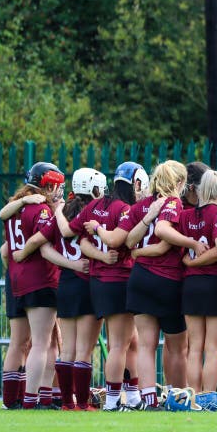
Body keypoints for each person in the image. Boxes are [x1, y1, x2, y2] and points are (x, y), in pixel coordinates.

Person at [63, 161, 160, 411]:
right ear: (135, 183)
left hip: (99, 282)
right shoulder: (125, 208)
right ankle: (114, 401)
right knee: (119, 344)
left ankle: (134, 396)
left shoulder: (95, 205)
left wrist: (98, 252)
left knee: (132, 341)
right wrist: (104, 248)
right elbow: (119, 239)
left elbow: (79, 239)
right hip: (118, 280)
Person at [10, 168, 107, 409]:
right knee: (84, 350)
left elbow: (43, 247)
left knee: (67, 351)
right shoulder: (93, 212)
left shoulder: (62, 211)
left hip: (64, 284)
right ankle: (82, 403)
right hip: (87, 283)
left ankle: (66, 402)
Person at [117, 160, 202, 408]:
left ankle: (148, 399)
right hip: (167, 280)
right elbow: (165, 243)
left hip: (140, 279)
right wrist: (190, 242)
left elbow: (128, 242)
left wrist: (140, 253)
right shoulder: (173, 202)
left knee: (146, 344)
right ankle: (178, 396)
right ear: (179, 182)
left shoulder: (142, 204)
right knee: (178, 346)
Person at [0, 162, 65, 409]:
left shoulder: (15, 208)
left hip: (15, 279)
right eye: (56, 186)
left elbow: (6, 250)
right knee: (42, 342)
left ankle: (9, 400)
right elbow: (43, 245)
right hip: (39, 278)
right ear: (46, 184)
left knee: (18, 342)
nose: (58, 191)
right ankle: (32, 399)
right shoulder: (41, 209)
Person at [177, 170, 217, 408]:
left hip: (191, 285)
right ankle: (207, 397)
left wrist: (190, 263)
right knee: (212, 348)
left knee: (194, 347)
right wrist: (197, 261)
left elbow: (180, 250)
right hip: (215, 283)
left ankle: (193, 398)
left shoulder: (185, 215)